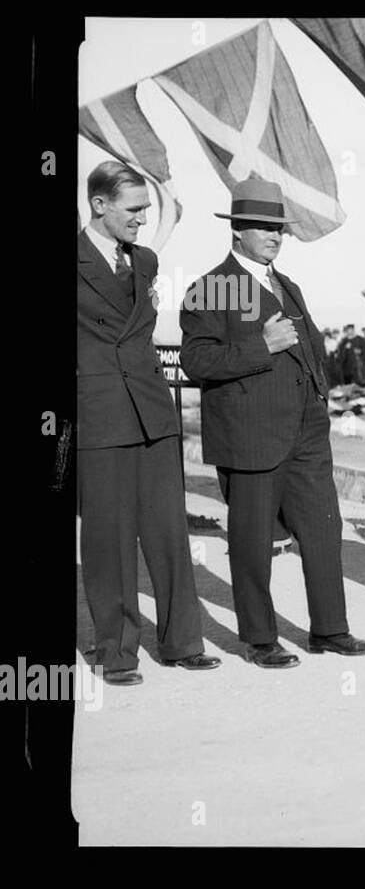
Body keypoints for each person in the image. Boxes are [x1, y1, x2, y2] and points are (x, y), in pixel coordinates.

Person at [180, 179, 365, 668]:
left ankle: (330, 630)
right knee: (251, 543)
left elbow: (312, 350)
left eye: (279, 228)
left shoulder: (287, 285)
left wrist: (320, 401)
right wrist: (260, 346)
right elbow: (196, 360)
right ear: (237, 231)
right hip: (249, 438)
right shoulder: (211, 288)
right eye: (264, 227)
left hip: (307, 434)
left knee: (323, 532)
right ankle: (260, 639)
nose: (275, 236)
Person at [76, 161, 220, 685]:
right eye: (134, 209)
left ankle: (183, 643)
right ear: (99, 205)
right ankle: (115, 651)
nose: (143, 219)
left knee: (168, 531)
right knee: (108, 539)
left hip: (153, 411)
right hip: (99, 414)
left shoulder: (147, 261)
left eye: (146, 210)